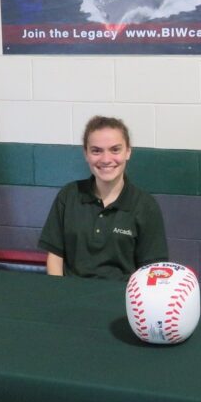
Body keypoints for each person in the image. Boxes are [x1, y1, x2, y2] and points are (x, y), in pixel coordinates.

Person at [39, 116, 168, 280]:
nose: (106, 159)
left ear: (128, 151)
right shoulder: (68, 196)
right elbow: (55, 257)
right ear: (86, 153)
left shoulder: (145, 206)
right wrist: (58, 292)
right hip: (71, 298)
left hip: (122, 300)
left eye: (115, 149)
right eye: (96, 151)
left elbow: (151, 270)